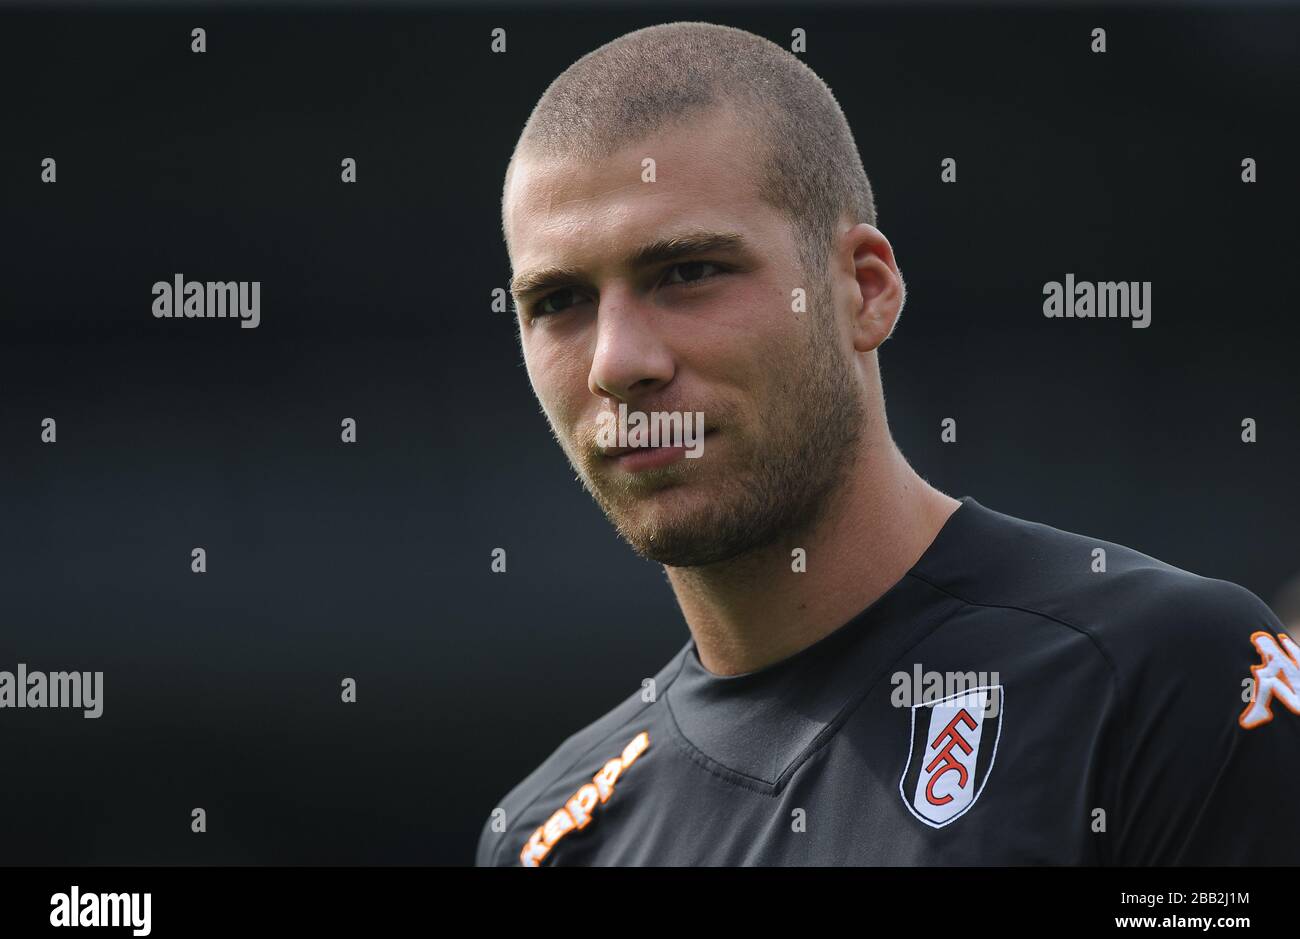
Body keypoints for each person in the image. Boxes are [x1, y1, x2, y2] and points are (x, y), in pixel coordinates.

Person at [477, 21, 1298, 866]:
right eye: (559, 302)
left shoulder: (1164, 675)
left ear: (864, 290)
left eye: (687, 273)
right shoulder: (549, 839)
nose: (619, 362)